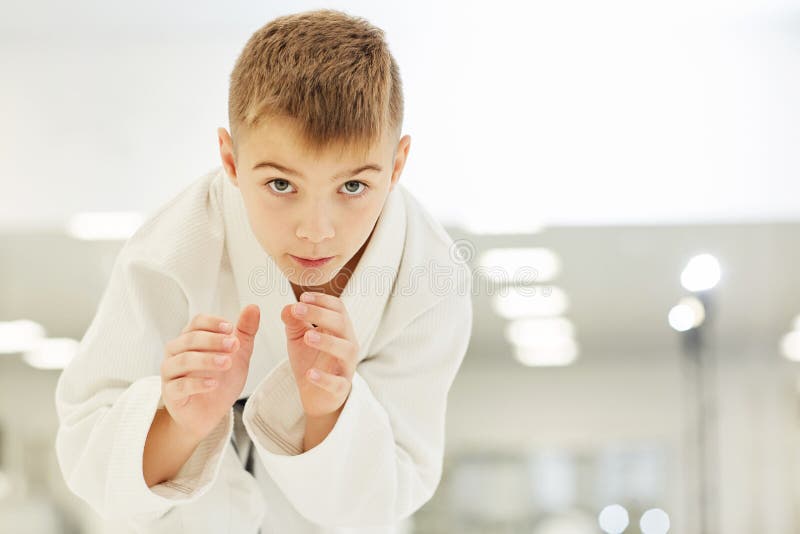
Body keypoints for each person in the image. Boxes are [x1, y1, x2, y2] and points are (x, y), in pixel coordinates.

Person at [54, 8, 473, 534]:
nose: (316, 230)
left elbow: (392, 491)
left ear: (397, 164)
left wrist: (329, 411)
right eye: (281, 185)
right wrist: (180, 421)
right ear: (230, 161)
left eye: (352, 187)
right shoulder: (171, 251)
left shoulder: (428, 278)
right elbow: (89, 457)